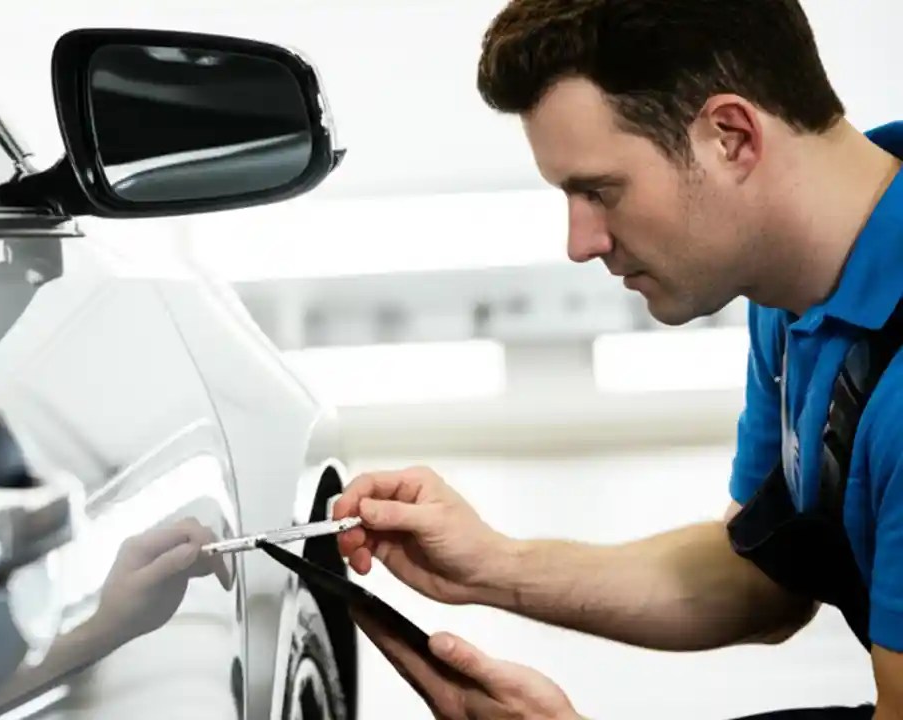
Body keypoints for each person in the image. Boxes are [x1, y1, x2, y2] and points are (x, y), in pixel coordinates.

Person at [331, 1, 903, 718]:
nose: (581, 242)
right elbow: (766, 581)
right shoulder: (796, 291)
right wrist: (494, 567)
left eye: (599, 191)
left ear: (731, 137)